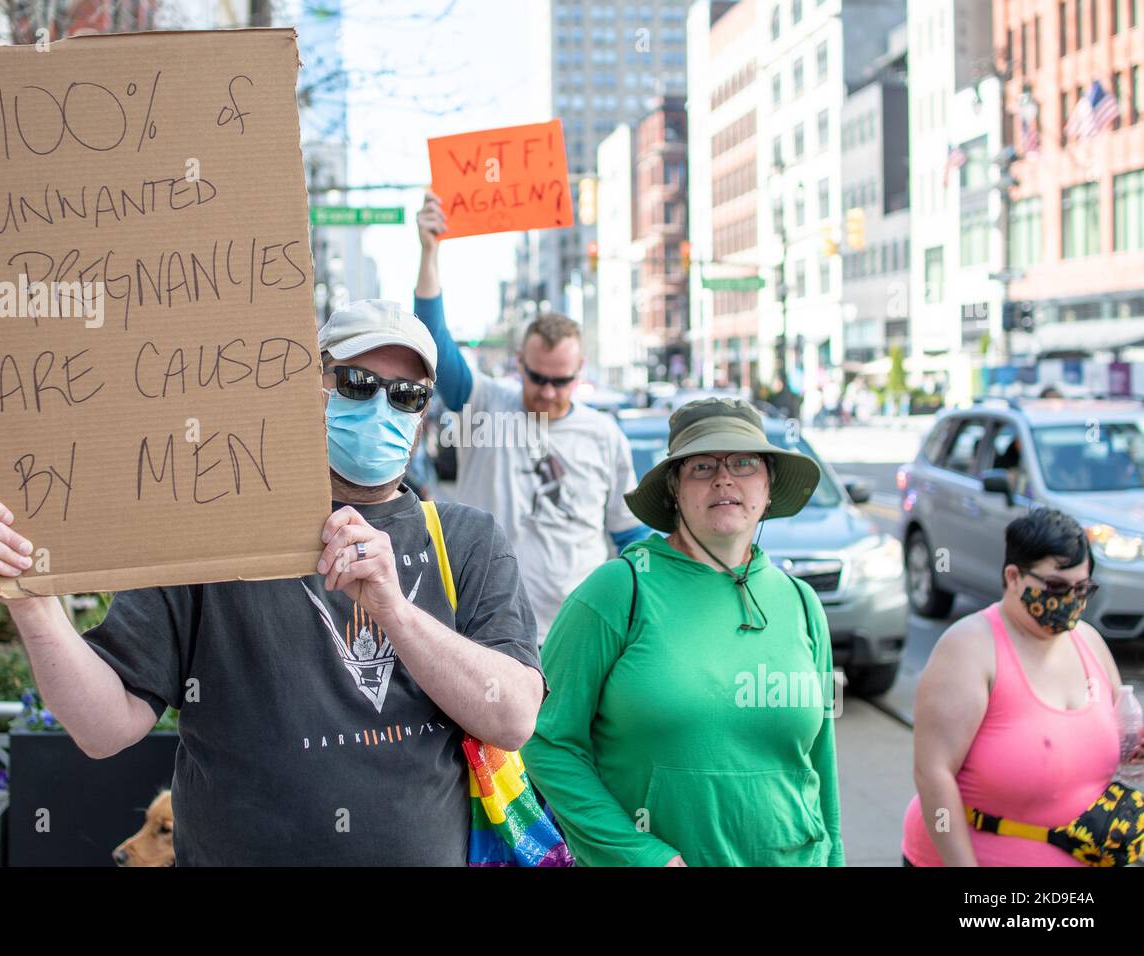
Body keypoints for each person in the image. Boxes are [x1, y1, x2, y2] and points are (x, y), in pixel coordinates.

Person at [0, 300, 545, 866]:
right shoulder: (212, 532)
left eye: (405, 395)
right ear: (306, 386)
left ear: (422, 414)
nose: (380, 407)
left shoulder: (466, 541)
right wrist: (34, 606)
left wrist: (396, 611)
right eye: (356, 383)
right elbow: (103, 727)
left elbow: (513, 717)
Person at [522, 397, 844, 867]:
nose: (724, 478)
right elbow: (546, 740)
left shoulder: (801, 603)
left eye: (744, 463)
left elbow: (822, 766)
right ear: (675, 488)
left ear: (769, 486)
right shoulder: (619, 590)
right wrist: (639, 854)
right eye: (702, 466)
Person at [414, 192, 647, 642]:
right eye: (537, 376)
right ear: (519, 361)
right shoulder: (485, 403)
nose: (546, 390)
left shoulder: (604, 435)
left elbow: (629, 536)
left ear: (580, 372)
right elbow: (434, 340)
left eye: (561, 381)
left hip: (580, 635)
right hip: (489, 630)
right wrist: (430, 252)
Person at [903, 509, 1125, 866]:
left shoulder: (1090, 642)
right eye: (1055, 587)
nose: (1070, 599)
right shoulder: (968, 648)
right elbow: (933, 773)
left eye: (1082, 588)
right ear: (1013, 577)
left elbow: (1120, 732)